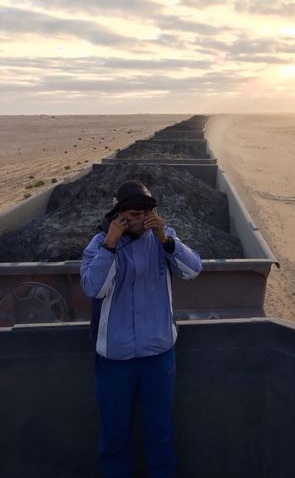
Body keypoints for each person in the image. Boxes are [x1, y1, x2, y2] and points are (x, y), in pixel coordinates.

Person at [81, 180, 202, 478]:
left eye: (147, 212)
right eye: (134, 214)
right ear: (119, 215)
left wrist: (166, 240)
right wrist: (110, 245)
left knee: (159, 435)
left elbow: (193, 270)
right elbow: (93, 289)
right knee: (114, 439)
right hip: (115, 361)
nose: (141, 220)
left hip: (159, 358)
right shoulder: (99, 245)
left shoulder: (164, 239)